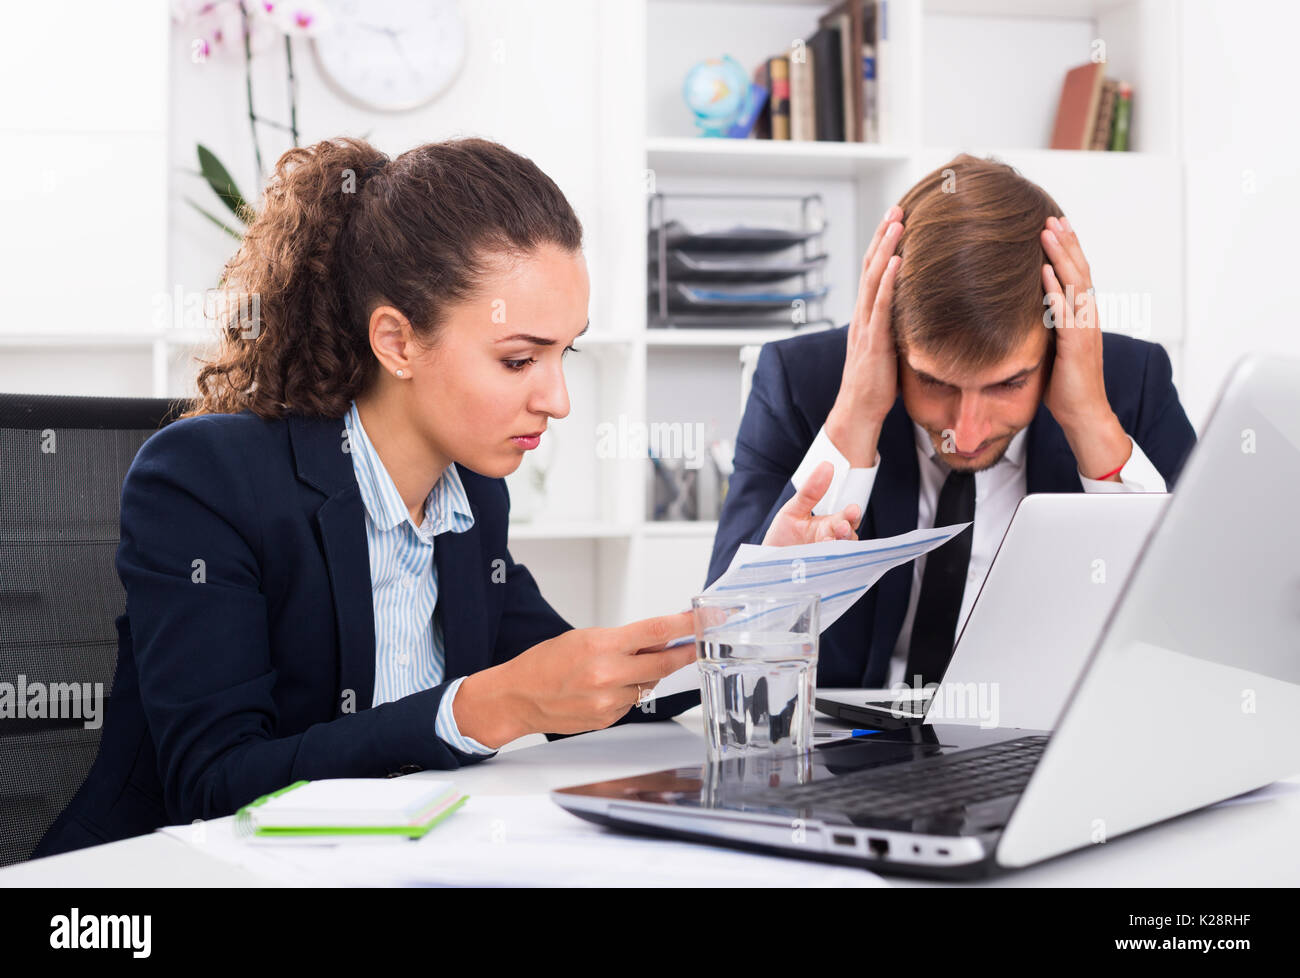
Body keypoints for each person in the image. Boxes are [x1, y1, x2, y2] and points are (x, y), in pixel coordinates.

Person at [34, 136, 696, 856]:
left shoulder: (472, 495)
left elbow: (578, 685)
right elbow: (214, 785)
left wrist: (740, 614)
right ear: (398, 342)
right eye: (517, 360)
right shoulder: (205, 481)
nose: (558, 400)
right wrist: (483, 707)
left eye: (564, 354)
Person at [707, 154, 1197, 692]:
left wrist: (1089, 424)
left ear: (1056, 349)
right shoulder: (801, 383)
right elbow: (727, 651)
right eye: (935, 382)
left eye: (1008, 384)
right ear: (893, 347)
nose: (965, 433)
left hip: (1042, 746)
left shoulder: (1131, 383)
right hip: (854, 753)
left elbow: (1198, 627)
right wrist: (855, 418)